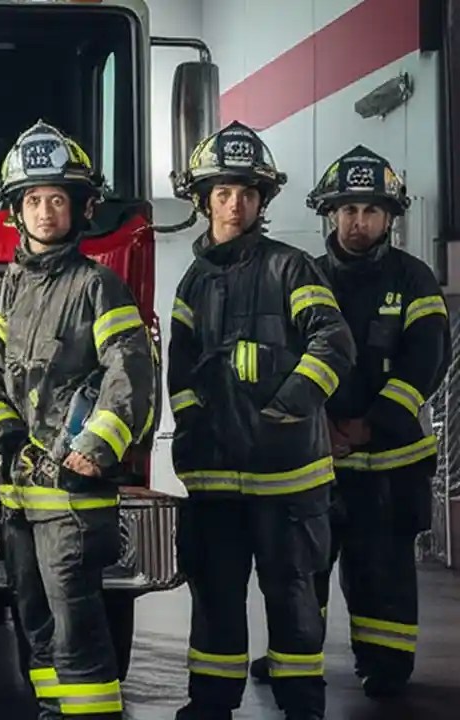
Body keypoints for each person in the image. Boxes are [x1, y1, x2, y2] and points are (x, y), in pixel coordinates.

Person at [0, 120, 157, 719]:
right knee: (37, 625)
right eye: (33, 201)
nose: (45, 212)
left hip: (74, 497)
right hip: (21, 495)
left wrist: (93, 451)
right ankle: (55, 712)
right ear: (16, 212)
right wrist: (4, 440)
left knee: (77, 627)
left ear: (79, 208)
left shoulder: (100, 286)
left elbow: (131, 373)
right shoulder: (10, 293)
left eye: (56, 200)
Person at [167, 121, 356, 720]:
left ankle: (302, 708)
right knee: (215, 602)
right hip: (216, 482)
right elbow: (180, 370)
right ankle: (210, 704)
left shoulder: (291, 268)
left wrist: (287, 408)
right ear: (204, 201)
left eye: (247, 193)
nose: (235, 204)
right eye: (222, 192)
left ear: (261, 200)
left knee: (294, 603)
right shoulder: (193, 282)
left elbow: (333, 341)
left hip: (289, 482)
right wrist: (195, 431)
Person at [246, 146, 451, 698]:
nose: (359, 222)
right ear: (330, 214)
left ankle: (385, 666)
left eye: (371, 210)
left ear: (390, 217)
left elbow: (426, 362)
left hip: (390, 461)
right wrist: (318, 423)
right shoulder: (303, 275)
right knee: (301, 567)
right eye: (348, 210)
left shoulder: (414, 279)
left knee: (382, 570)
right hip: (316, 456)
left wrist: (369, 426)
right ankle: (294, 658)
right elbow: (284, 356)